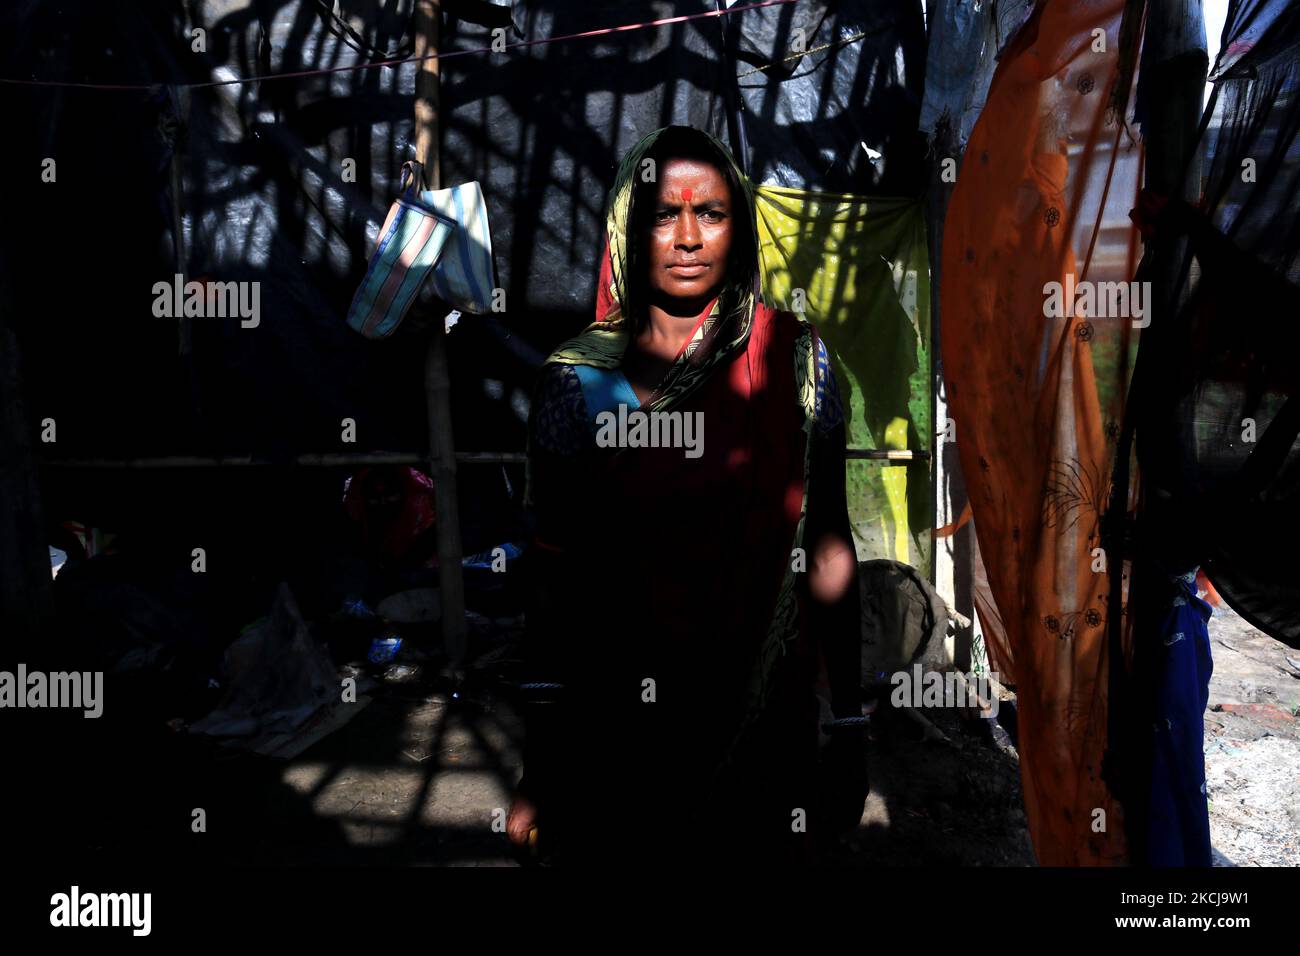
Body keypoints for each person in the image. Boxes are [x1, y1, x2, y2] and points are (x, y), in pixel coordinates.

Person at [507, 126, 865, 865]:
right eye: (662, 215)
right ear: (626, 229)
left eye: (712, 212)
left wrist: (852, 723)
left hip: (763, 725)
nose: (688, 237)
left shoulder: (800, 364)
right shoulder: (575, 383)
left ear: (740, 229)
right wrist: (540, 758)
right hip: (614, 730)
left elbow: (828, 543)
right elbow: (553, 574)